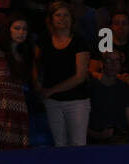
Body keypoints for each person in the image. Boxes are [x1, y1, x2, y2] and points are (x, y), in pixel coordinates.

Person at [0, 13, 36, 149]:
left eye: (24, 29)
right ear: (8, 29)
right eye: (17, 28)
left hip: (18, 108)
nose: (21, 32)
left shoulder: (23, 56)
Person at [39, 1, 91, 146]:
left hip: (77, 101)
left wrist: (52, 90)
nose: (62, 18)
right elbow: (35, 65)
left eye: (66, 15)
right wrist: (39, 87)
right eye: (58, 15)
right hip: (53, 102)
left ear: (72, 18)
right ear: (51, 18)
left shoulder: (79, 41)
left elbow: (80, 76)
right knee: (59, 144)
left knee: (78, 143)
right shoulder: (44, 39)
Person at [87, 48, 129, 142]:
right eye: (109, 60)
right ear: (102, 63)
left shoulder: (125, 88)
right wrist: (98, 135)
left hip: (121, 140)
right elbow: (80, 121)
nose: (113, 64)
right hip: (94, 141)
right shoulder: (90, 87)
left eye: (117, 60)